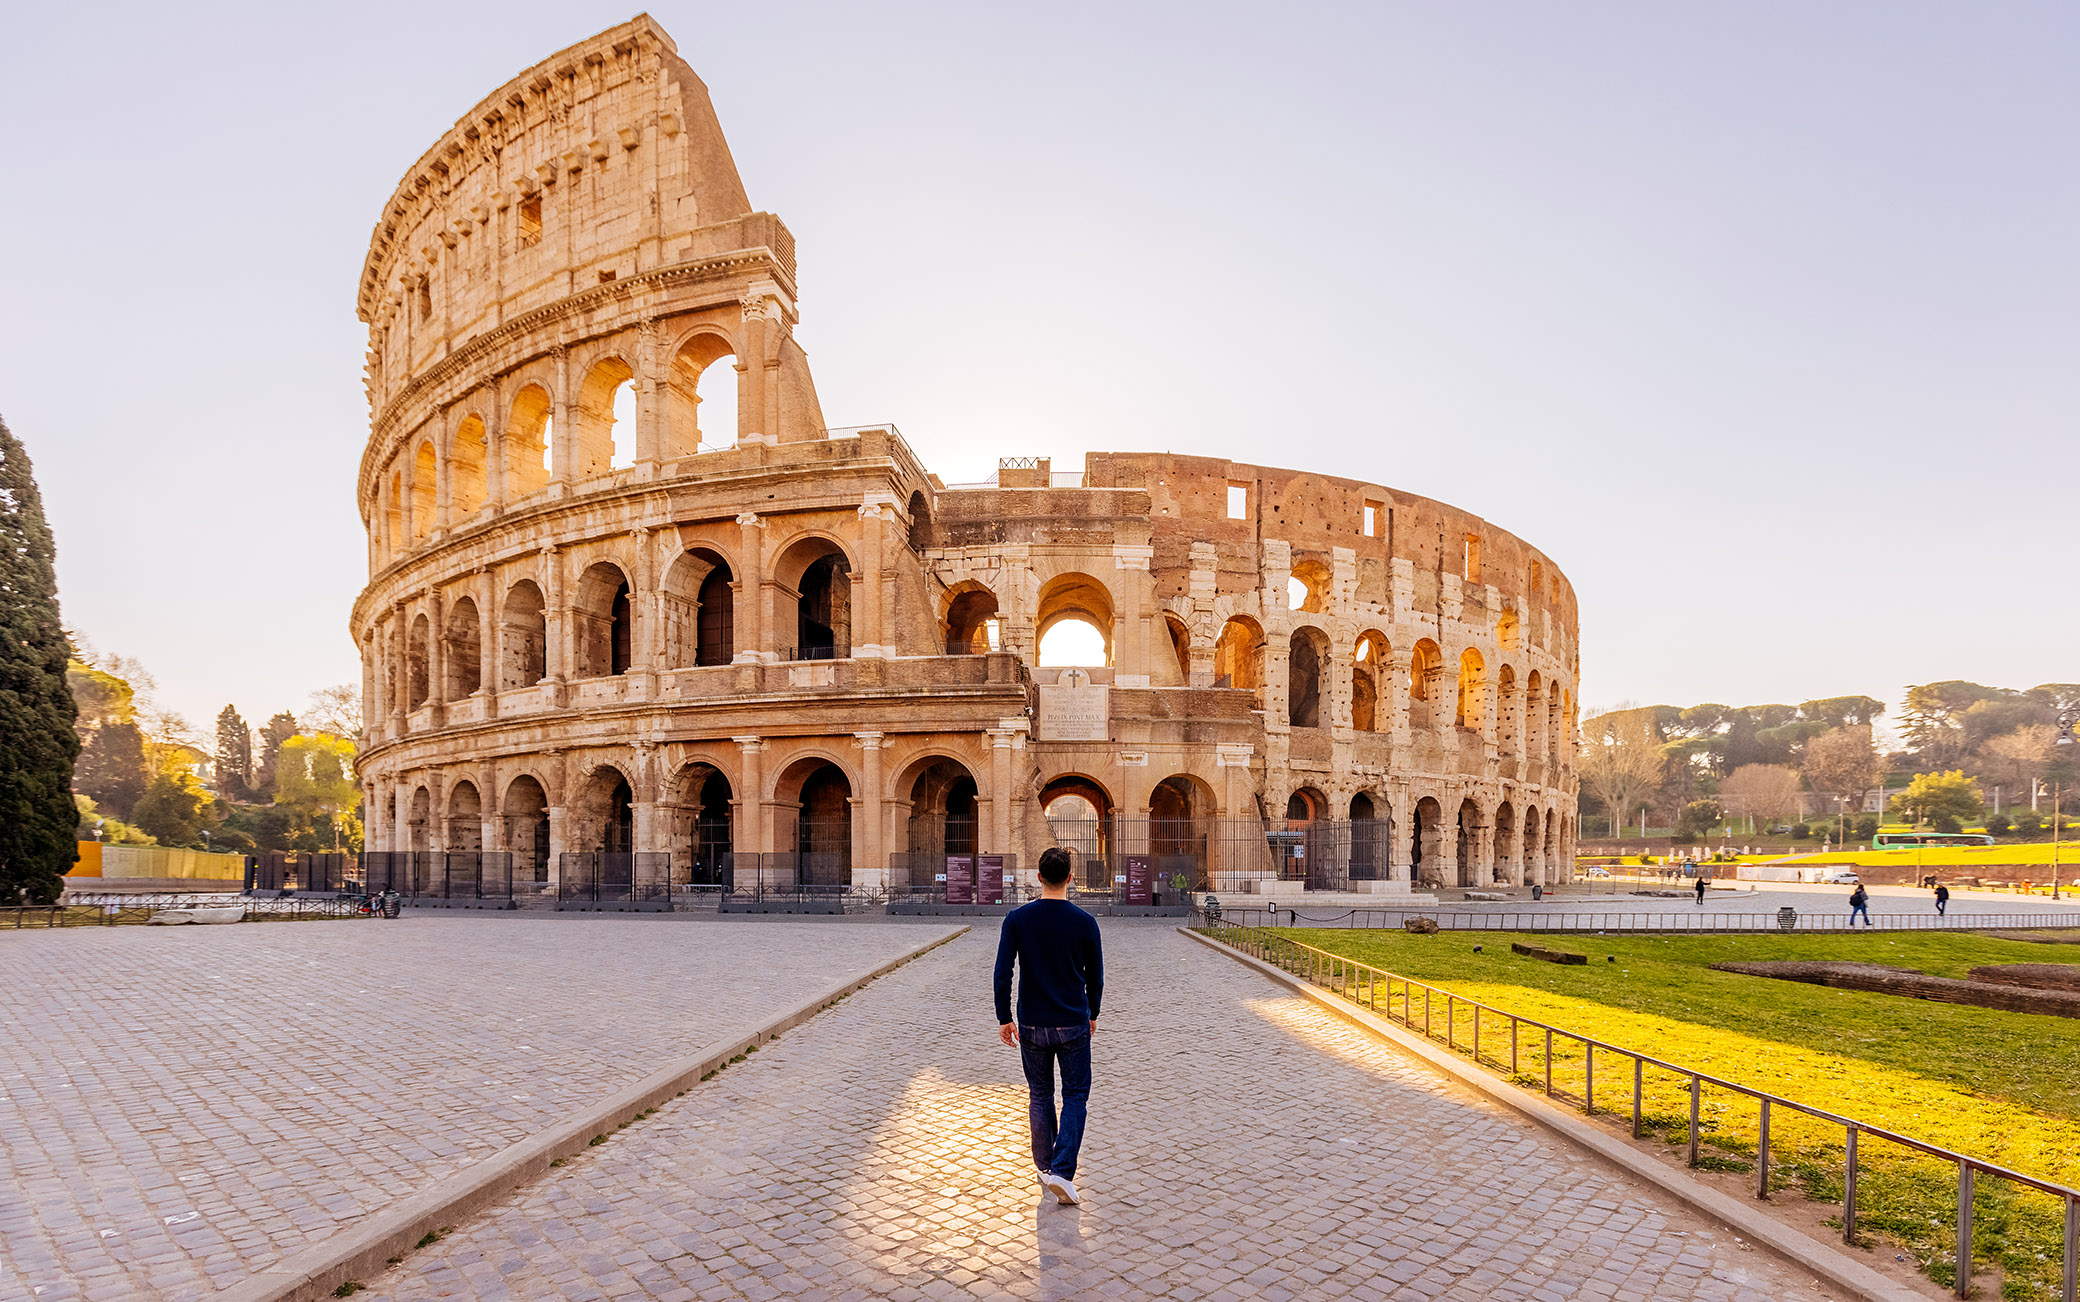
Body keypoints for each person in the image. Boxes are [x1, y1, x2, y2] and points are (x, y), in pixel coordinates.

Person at [995, 846, 1104, 1207]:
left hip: (1032, 1022)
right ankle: (1062, 1171)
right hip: (1072, 1020)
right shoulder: (1085, 922)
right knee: (1075, 1095)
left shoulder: (1017, 919)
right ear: (1071, 878)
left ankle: (1046, 1169)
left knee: (1040, 1095)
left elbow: (1002, 973)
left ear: (1038, 877)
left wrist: (1004, 1017)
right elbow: (1096, 978)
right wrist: (1093, 1013)